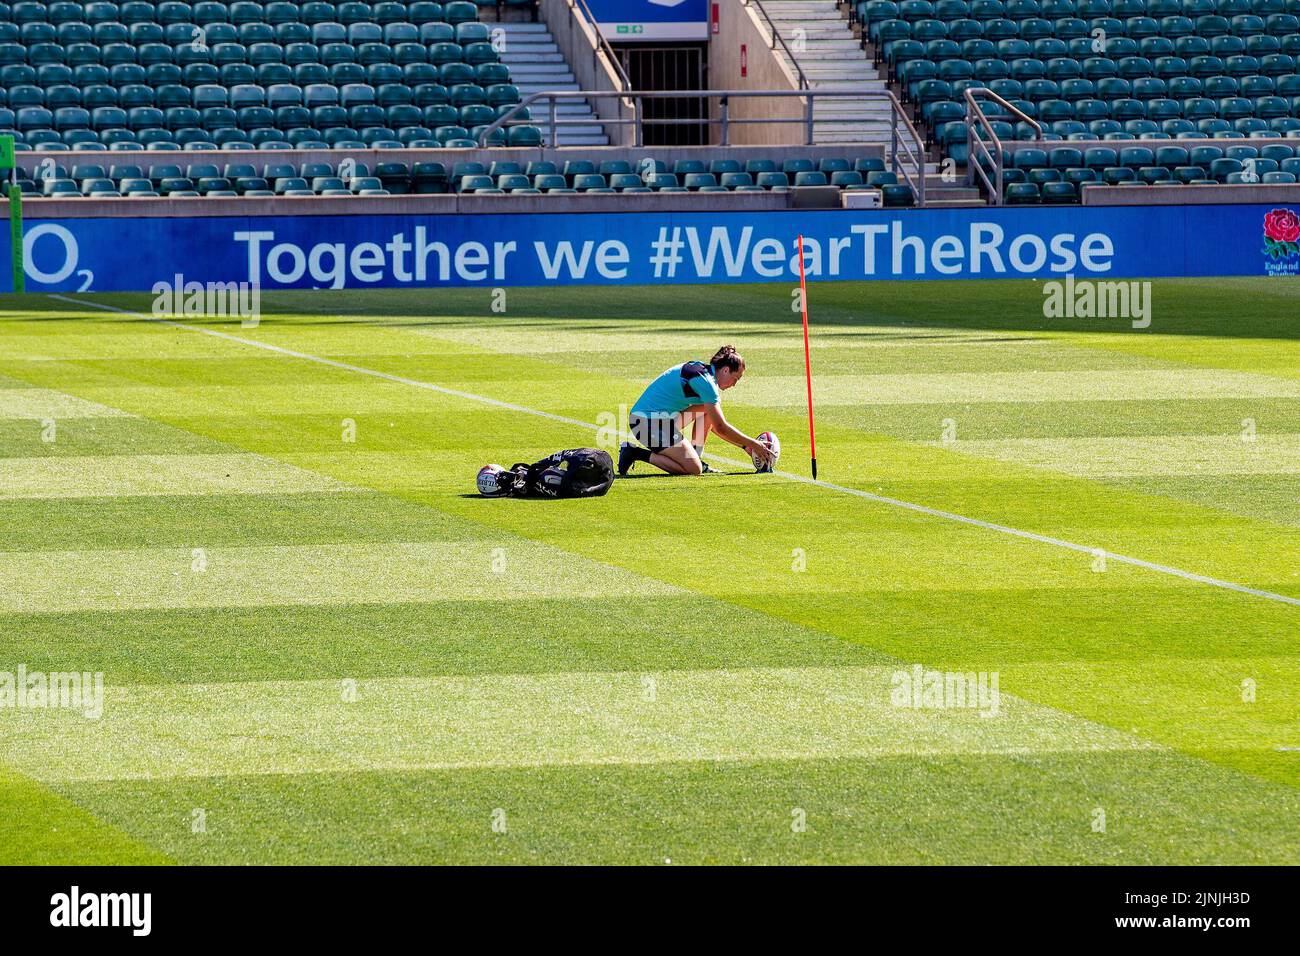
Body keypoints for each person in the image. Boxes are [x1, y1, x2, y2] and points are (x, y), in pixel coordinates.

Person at [618, 345, 774, 476]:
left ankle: (695, 455)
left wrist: (745, 446)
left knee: (706, 410)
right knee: (693, 469)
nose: (734, 384)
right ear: (725, 370)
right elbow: (721, 427)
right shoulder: (707, 384)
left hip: (656, 420)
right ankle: (634, 453)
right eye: (736, 378)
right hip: (646, 423)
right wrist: (753, 444)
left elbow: (715, 425)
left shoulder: (705, 374)